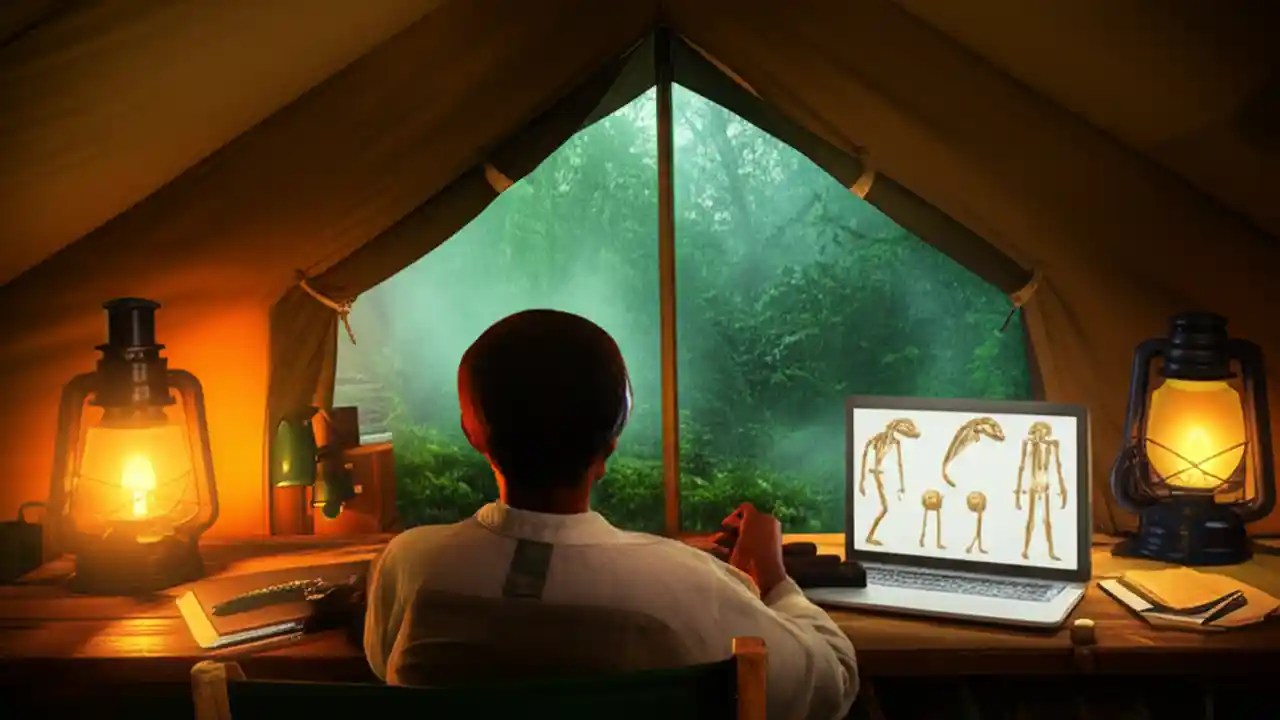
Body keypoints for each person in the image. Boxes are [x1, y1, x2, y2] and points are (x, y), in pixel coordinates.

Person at [364, 309, 859, 719]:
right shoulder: (692, 589)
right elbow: (834, 680)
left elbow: (382, 661)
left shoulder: (409, 566)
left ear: (473, 432)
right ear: (614, 437)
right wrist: (772, 580)